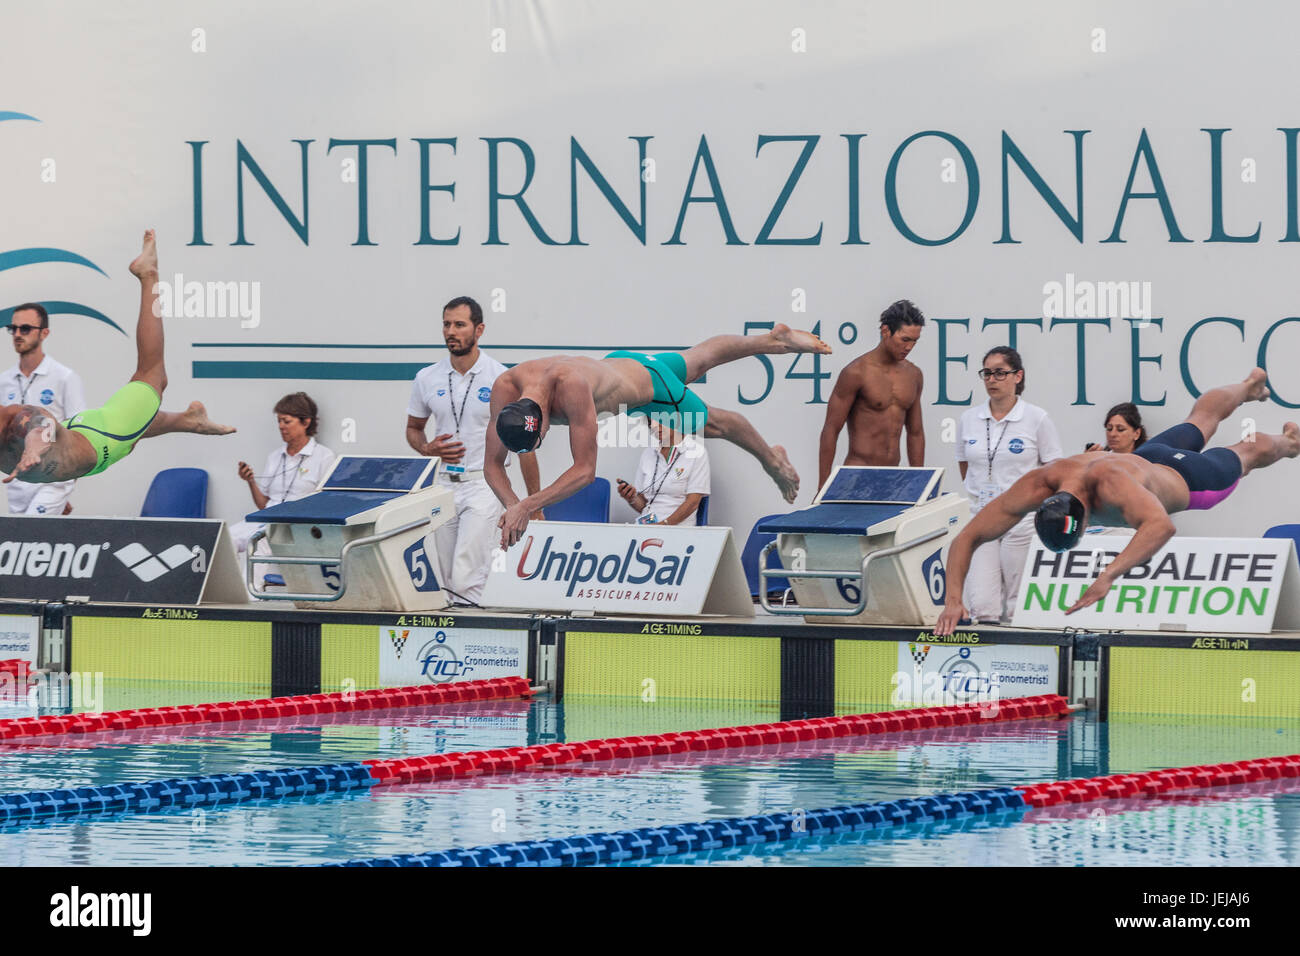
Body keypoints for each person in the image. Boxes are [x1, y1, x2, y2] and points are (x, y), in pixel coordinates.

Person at [934, 368, 1298, 634]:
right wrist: (953, 599)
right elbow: (968, 537)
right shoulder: (1040, 484)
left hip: (1188, 479)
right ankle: (1248, 385)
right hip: (1150, 455)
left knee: (1246, 452)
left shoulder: (1109, 487)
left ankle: (1290, 442)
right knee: (1200, 417)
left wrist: (1108, 575)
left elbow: (1160, 526)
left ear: (1085, 514)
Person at [487, 324, 831, 548]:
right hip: (623, 365)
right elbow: (492, 465)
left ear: (543, 421)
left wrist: (528, 506)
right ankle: (769, 340)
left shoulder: (570, 387)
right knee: (697, 359)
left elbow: (584, 471)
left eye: (540, 441)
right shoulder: (505, 386)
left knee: (718, 424)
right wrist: (512, 506)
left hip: (650, 391)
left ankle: (771, 460)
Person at [0, 231, 234, 487]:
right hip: (81, 430)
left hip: (100, 439)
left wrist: (34, 450)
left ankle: (149, 274)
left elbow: (42, 427)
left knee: (152, 375)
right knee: (131, 416)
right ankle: (188, 420)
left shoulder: (21, 419)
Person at [406, 296, 540, 602]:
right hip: (442, 485)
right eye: (446, 324)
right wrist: (427, 448)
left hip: (484, 484)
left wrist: (533, 503)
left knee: (467, 577)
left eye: (460, 324)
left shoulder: (502, 378)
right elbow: (413, 429)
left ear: (479, 330)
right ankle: (452, 644)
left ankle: (483, 642)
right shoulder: (426, 377)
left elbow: (525, 446)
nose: (451, 331)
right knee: (445, 581)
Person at [954, 347, 1063, 623]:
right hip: (982, 517)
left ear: (1018, 376)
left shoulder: (1037, 418)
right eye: (987, 373)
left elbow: (1054, 470)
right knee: (982, 603)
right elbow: (965, 464)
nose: (992, 379)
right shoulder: (969, 419)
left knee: (1020, 601)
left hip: (1022, 519)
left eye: (1000, 373)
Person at [818, 299, 926, 491]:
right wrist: (823, 486)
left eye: (915, 341)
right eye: (905, 340)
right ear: (886, 331)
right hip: (857, 475)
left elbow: (916, 433)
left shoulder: (914, 375)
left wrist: (919, 483)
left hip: (893, 477)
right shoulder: (856, 372)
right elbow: (831, 429)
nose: (909, 347)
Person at [0, 303, 87, 515]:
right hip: (17, 479)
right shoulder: (4, 380)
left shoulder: (64, 377)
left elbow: (78, 429)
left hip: (51, 477)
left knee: (30, 535)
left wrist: (65, 484)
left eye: (26, 328)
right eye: (13, 328)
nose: (18, 334)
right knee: (21, 542)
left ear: (44, 333)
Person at [230, 392, 336, 555]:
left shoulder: (324, 456)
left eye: (286, 421)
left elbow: (326, 506)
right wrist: (250, 481)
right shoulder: (275, 457)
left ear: (306, 422)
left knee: (259, 544)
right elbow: (263, 506)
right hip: (266, 520)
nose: (281, 426)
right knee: (226, 538)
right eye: (279, 421)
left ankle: (250, 582)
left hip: (295, 526)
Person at [617, 420, 711, 525]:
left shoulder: (697, 452)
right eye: (651, 422)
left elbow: (693, 503)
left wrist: (663, 525)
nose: (654, 426)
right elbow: (645, 506)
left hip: (678, 530)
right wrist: (632, 498)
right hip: (647, 528)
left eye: (660, 420)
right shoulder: (648, 453)